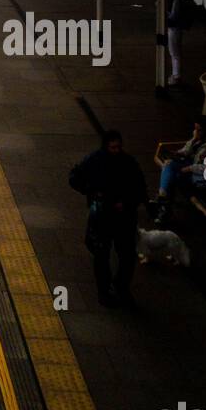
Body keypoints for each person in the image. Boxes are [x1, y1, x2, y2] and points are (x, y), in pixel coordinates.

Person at [69, 130, 149, 307]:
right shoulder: (95, 160)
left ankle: (120, 286)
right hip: (104, 217)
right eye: (113, 147)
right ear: (106, 146)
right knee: (101, 255)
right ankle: (105, 291)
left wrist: (127, 203)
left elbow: (140, 188)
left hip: (122, 217)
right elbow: (74, 177)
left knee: (127, 256)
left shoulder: (127, 163)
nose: (116, 150)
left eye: (118, 147)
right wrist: (90, 190)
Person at [153, 116, 206, 226]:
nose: (196, 132)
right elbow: (187, 150)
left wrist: (189, 168)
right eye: (195, 129)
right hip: (194, 170)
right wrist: (184, 148)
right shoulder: (200, 139)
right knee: (169, 164)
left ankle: (164, 207)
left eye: (199, 130)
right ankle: (163, 199)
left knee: (174, 174)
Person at [166, 0, 187, 86]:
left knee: (174, 53)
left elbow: (173, 16)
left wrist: (166, 15)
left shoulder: (176, 0)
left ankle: (176, 76)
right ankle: (176, 75)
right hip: (176, 28)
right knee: (175, 52)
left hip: (174, 29)